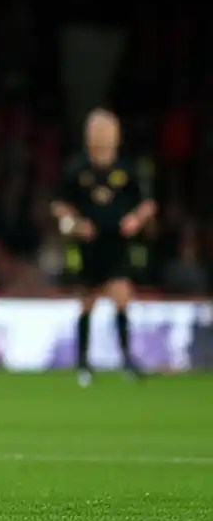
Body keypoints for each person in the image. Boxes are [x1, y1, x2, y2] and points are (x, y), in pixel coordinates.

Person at [51, 108, 156, 387]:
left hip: (117, 244)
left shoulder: (127, 169)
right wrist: (74, 223)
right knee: (88, 301)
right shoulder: (77, 168)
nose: (101, 135)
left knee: (122, 296)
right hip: (89, 244)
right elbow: (59, 204)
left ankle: (126, 359)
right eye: (96, 130)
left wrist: (136, 219)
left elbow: (147, 203)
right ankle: (84, 363)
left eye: (106, 130)